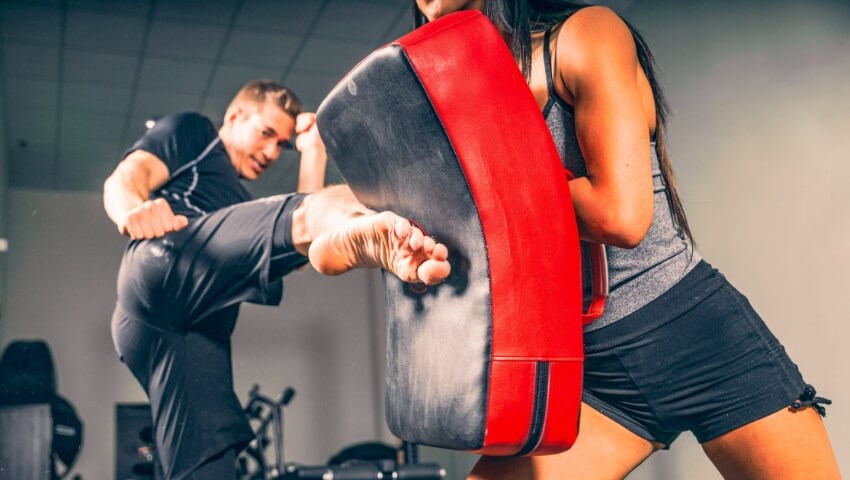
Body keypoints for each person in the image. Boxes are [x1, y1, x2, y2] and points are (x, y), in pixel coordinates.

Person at [412, 1, 840, 479]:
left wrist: (487, 190)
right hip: (593, 370)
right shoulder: (462, 94)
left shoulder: (585, 35)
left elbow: (621, 216)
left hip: (690, 330)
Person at [103, 79, 451, 480]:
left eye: (280, 145)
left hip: (185, 330)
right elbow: (126, 177)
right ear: (234, 117)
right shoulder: (194, 134)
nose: (271, 152)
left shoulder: (236, 203)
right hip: (166, 265)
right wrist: (132, 210)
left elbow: (294, 253)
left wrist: (313, 151)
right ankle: (373, 230)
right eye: (266, 134)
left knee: (207, 456)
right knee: (315, 212)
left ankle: (356, 227)